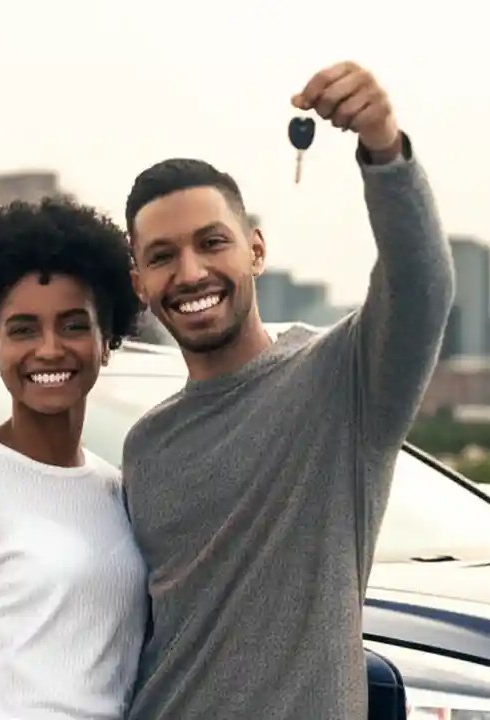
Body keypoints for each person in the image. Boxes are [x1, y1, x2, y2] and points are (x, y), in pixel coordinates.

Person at [120, 61, 456, 719]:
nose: (190, 272)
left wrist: (384, 147)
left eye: (211, 243)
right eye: (162, 256)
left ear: (255, 250)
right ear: (140, 285)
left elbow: (422, 288)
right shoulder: (145, 445)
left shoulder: (342, 383)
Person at [0, 197, 148, 720]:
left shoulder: (118, 490)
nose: (50, 348)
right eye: (23, 329)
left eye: (74, 325)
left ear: (107, 340)